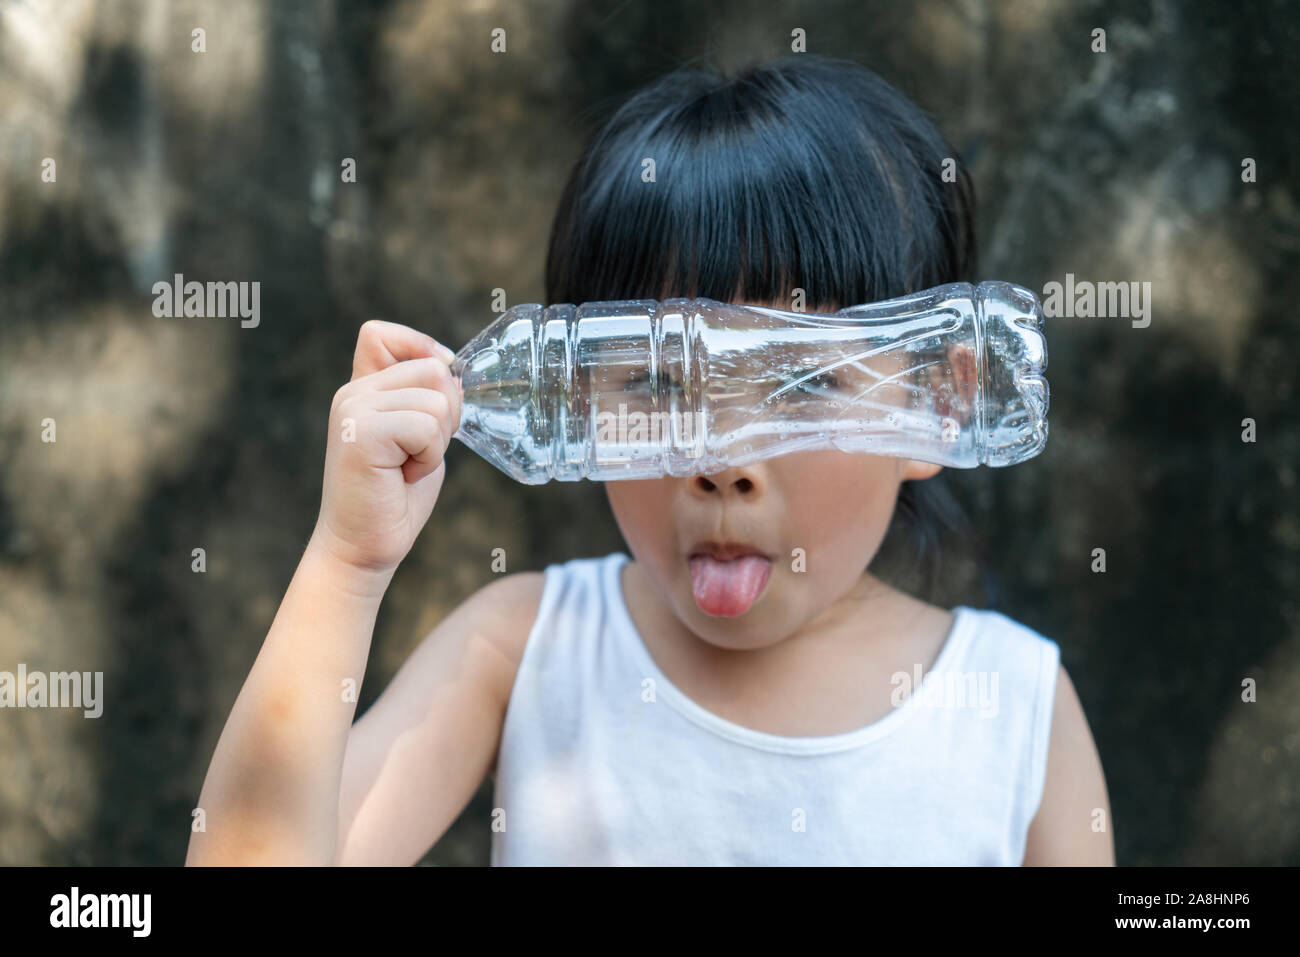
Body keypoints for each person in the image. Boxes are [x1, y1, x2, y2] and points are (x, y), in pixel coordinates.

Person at [187, 54, 1113, 866]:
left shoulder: (1015, 712)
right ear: (574, 393)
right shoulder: (521, 651)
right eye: (659, 383)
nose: (724, 457)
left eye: (803, 386)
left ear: (936, 401)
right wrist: (347, 564)